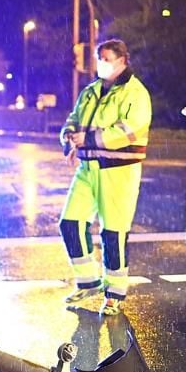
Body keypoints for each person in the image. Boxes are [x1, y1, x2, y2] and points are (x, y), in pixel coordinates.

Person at [59, 38, 151, 316]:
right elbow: (74, 119)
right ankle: (88, 282)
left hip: (118, 171)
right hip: (88, 168)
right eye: (99, 59)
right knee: (70, 223)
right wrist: (68, 136)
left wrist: (87, 138)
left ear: (123, 60)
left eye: (107, 59)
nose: (102, 64)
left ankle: (115, 294)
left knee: (113, 232)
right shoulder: (91, 91)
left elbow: (128, 131)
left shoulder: (135, 93)